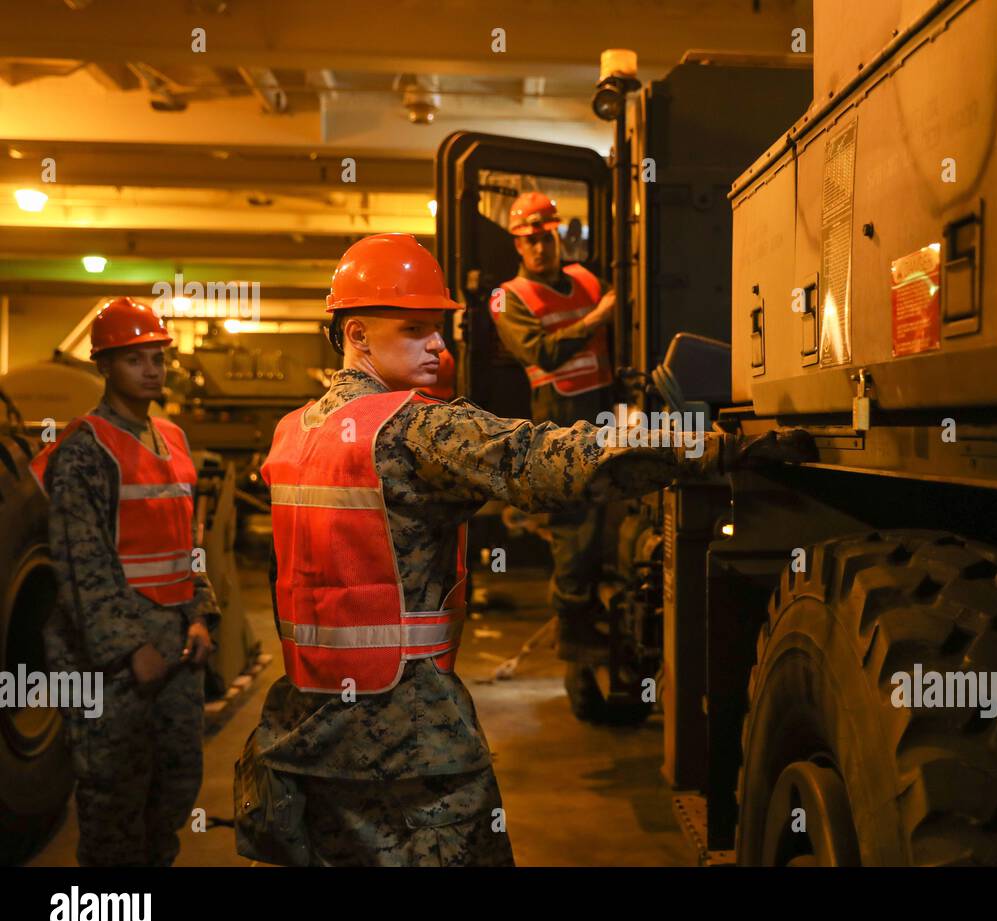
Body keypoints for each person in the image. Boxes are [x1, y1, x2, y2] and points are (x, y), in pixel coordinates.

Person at [244, 232, 813, 866]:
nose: (438, 345)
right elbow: (548, 460)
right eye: (414, 329)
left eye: (439, 328)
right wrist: (718, 447)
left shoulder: (293, 434)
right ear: (356, 335)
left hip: (306, 732)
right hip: (406, 736)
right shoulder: (413, 426)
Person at [30, 296, 219, 866]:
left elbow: (188, 540)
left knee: (173, 790)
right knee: (113, 802)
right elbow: (80, 563)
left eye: (157, 357)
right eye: (135, 359)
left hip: (176, 647)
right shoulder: (84, 451)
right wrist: (129, 648)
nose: (152, 370)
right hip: (109, 664)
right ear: (104, 366)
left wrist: (201, 616)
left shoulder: (175, 439)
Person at [492, 191, 618, 662]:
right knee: (575, 521)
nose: (540, 247)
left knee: (603, 514)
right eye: (530, 240)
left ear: (558, 236)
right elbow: (539, 352)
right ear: (517, 245)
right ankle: (574, 627)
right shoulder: (509, 297)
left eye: (546, 237)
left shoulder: (585, 279)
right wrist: (596, 318)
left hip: (605, 405)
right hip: (560, 414)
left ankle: (593, 615)